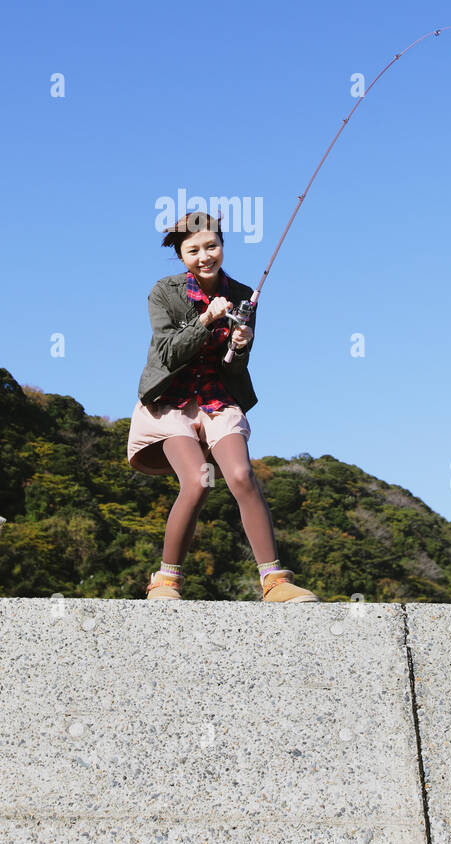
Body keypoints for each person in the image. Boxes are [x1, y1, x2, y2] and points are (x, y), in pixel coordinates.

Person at [127, 210, 319, 603]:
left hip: (217, 396)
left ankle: (274, 581)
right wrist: (204, 321)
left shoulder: (244, 294)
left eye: (211, 246)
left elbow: (233, 365)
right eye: (193, 250)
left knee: (242, 475)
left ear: (222, 246)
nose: (204, 256)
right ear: (181, 256)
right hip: (172, 400)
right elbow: (166, 353)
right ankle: (166, 582)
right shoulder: (164, 291)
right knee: (197, 482)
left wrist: (240, 345)